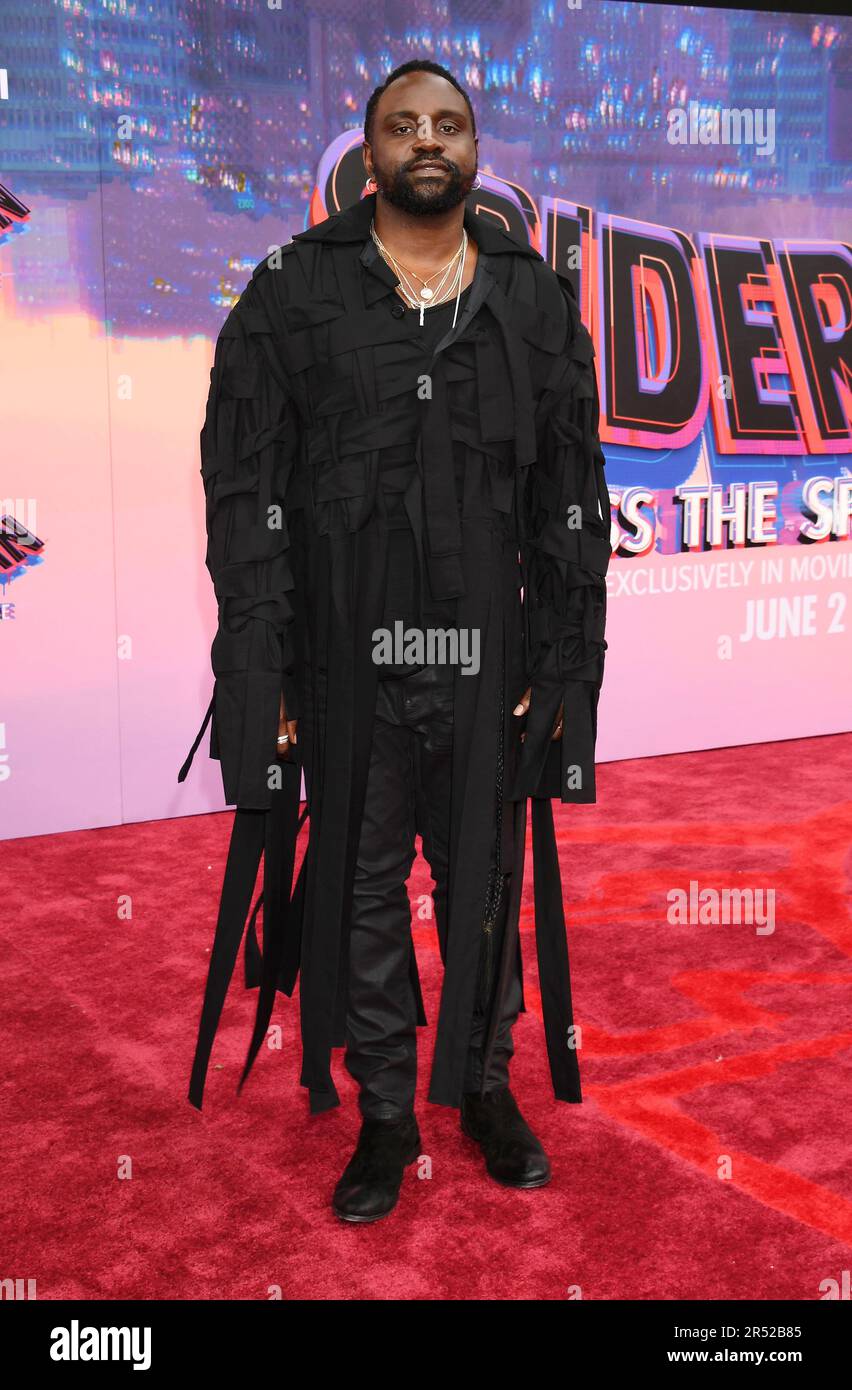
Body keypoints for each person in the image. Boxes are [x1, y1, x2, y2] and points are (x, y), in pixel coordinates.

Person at [179, 59, 611, 1224]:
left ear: (477, 153)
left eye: (450, 125)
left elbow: (573, 491)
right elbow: (243, 492)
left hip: (489, 667)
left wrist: (565, 661)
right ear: (366, 156)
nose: (429, 141)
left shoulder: (530, 298)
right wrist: (259, 668)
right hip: (346, 663)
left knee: (485, 883)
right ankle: (382, 1109)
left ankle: (482, 1088)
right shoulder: (291, 292)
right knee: (362, 893)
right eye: (404, 126)